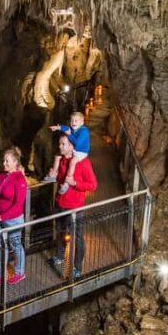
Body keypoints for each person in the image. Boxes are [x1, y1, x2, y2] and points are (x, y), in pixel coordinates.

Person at [48, 134, 97, 279]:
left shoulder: (83, 163)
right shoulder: (63, 160)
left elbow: (93, 185)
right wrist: (54, 175)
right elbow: (61, 178)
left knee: (78, 237)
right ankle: (59, 256)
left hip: (75, 207)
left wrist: (75, 183)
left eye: (63, 144)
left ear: (71, 146)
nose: (60, 146)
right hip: (60, 203)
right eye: (59, 144)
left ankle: (77, 267)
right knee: (60, 231)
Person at [0, 147, 27, 286]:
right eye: (3, 161)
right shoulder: (1, 175)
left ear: (15, 162)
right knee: (1, 246)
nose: (4, 164)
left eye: (7, 161)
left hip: (13, 220)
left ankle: (20, 272)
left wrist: (4, 216)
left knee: (15, 245)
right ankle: (1, 274)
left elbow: (18, 205)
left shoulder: (20, 180)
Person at [48, 111, 90, 194]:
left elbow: (77, 144)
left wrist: (69, 135)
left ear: (82, 122)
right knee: (57, 156)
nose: (73, 123)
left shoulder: (84, 131)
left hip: (81, 151)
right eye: (72, 121)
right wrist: (57, 128)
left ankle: (67, 181)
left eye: (76, 121)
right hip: (75, 149)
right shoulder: (74, 128)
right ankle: (53, 173)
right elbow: (66, 128)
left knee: (72, 162)